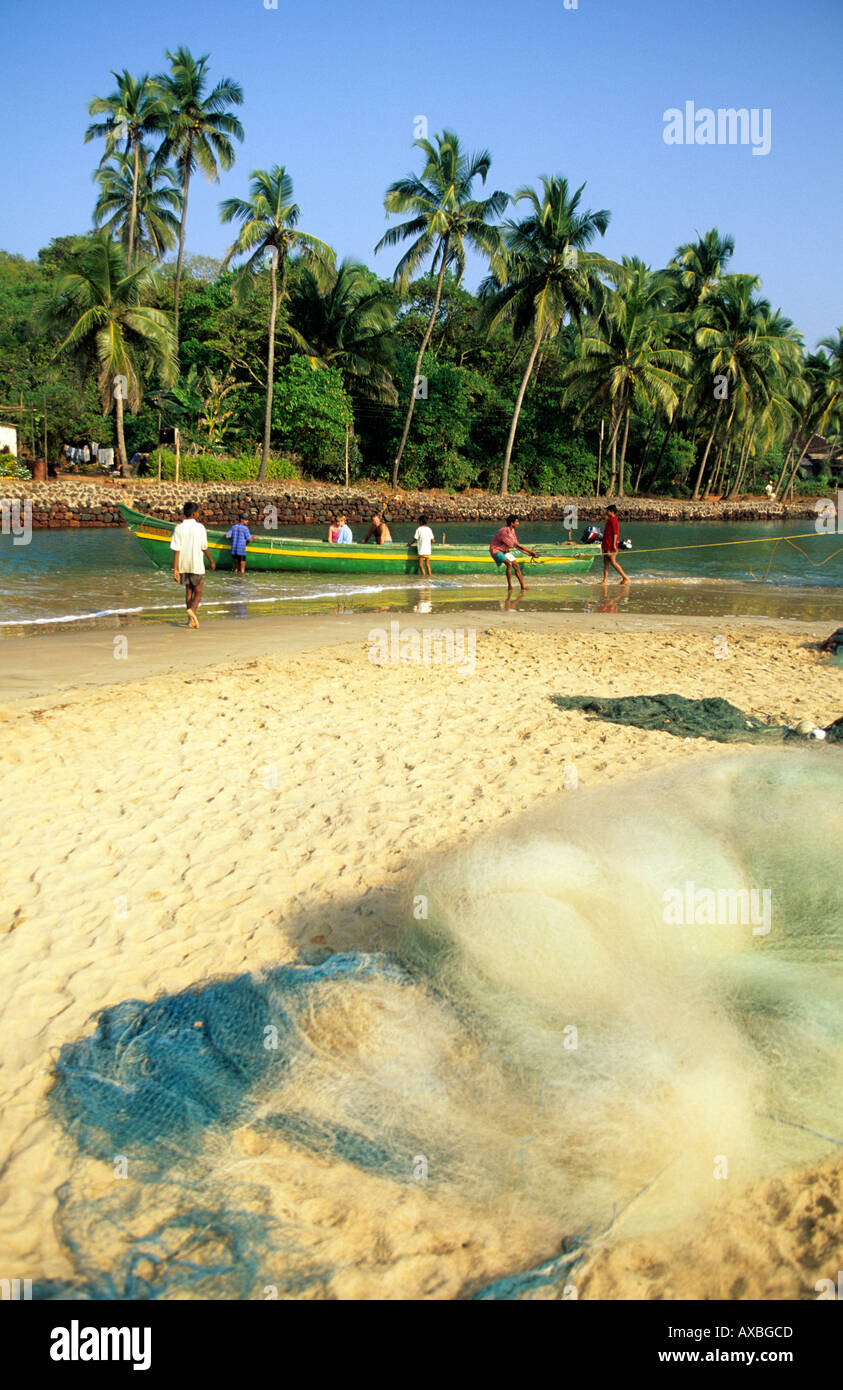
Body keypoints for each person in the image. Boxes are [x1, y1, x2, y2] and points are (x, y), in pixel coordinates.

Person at [171, 501, 216, 628]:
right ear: (195, 514)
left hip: (183, 565)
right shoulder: (200, 528)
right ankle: (192, 610)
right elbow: (204, 547)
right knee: (199, 592)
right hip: (196, 564)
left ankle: (190, 620)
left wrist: (175, 569)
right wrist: (211, 561)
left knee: (188, 592)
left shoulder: (178, 528)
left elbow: (176, 549)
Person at [489, 514, 538, 592]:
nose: (518, 523)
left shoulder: (512, 530)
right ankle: (510, 587)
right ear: (512, 523)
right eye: (517, 522)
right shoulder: (505, 532)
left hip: (505, 551)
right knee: (509, 564)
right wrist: (530, 551)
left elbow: (517, 545)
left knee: (516, 566)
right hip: (496, 550)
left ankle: (523, 586)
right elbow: (517, 545)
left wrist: (528, 553)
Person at [601, 504, 629, 584]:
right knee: (605, 562)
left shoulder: (614, 520)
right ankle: (605, 580)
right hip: (606, 544)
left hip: (611, 545)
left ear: (612, 512)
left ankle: (625, 577)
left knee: (613, 562)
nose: (606, 512)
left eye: (608, 511)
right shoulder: (610, 520)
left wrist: (614, 544)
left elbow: (615, 533)